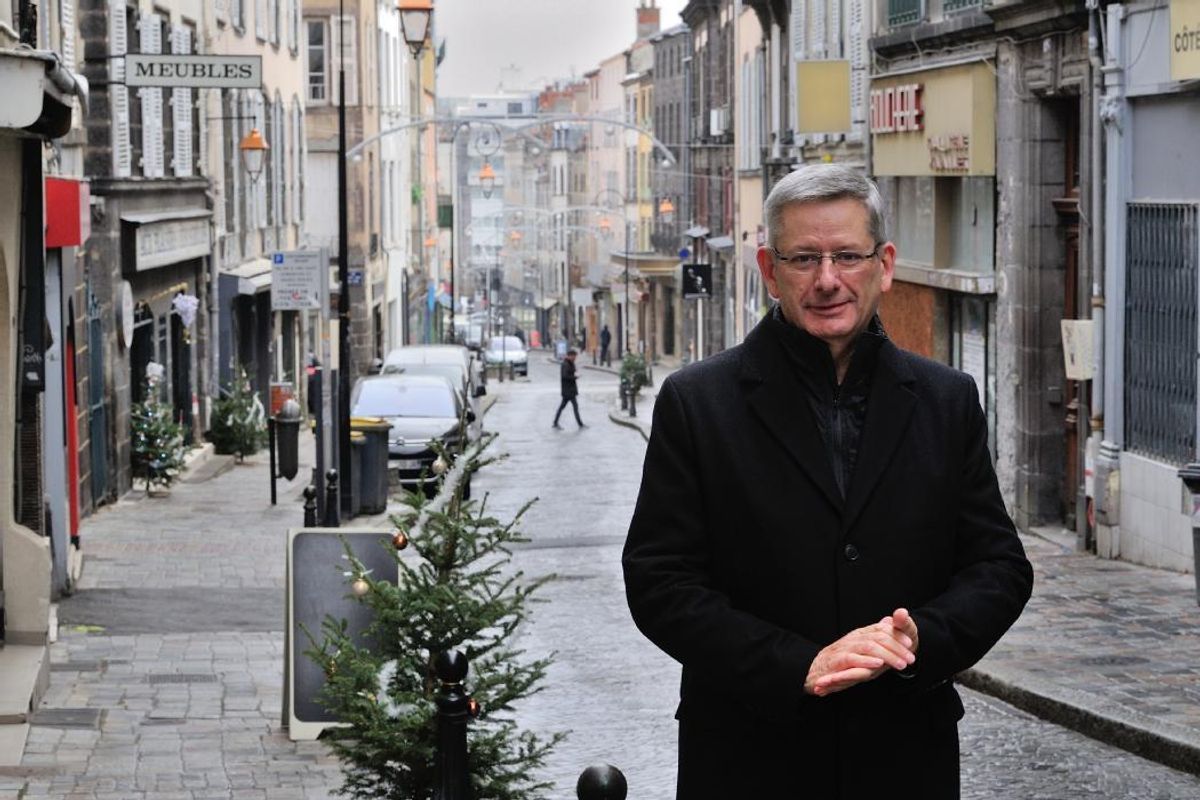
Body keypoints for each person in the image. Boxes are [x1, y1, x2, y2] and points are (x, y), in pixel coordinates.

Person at [622, 164, 1033, 798]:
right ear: (769, 269)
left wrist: (919, 637)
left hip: (904, 760)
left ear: (884, 264)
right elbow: (660, 583)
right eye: (804, 258)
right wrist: (798, 665)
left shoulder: (946, 399)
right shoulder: (697, 403)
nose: (827, 280)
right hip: (748, 762)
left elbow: (999, 567)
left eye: (847, 255)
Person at [552, 348, 585, 430]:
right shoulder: (565, 364)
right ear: (570, 356)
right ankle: (580, 424)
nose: (575, 358)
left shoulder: (569, 363)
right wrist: (575, 377)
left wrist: (574, 371)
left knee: (563, 407)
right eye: (574, 356)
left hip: (569, 390)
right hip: (568, 390)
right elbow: (565, 376)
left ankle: (555, 422)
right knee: (574, 407)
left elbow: (571, 371)